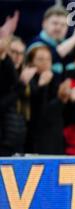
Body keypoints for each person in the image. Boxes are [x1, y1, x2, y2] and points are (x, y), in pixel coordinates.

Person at [28, 5, 75, 76]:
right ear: (44, 24)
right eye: (55, 23)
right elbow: (53, 56)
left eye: (63, 25)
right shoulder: (36, 43)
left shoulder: (66, 43)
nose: (59, 28)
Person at [18, 45, 63, 154]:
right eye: (40, 59)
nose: (45, 63)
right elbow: (37, 111)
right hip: (32, 133)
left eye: (48, 59)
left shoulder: (56, 79)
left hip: (52, 133)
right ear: (31, 62)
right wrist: (42, 86)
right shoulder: (27, 80)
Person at [0, 11, 26, 156]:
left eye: (21, 53)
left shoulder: (27, 76)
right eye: (13, 52)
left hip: (19, 142)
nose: (17, 57)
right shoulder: (9, 75)